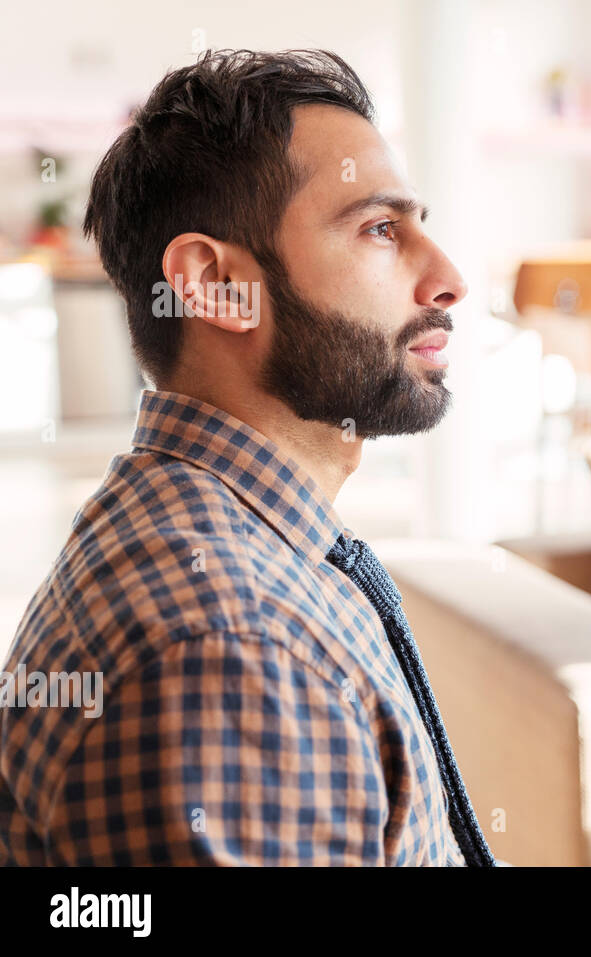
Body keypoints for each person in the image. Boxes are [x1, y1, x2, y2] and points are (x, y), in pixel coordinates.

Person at [0, 50, 494, 865]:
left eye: (420, 225)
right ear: (217, 284)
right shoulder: (236, 650)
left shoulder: (229, 546)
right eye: (380, 228)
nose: (447, 278)